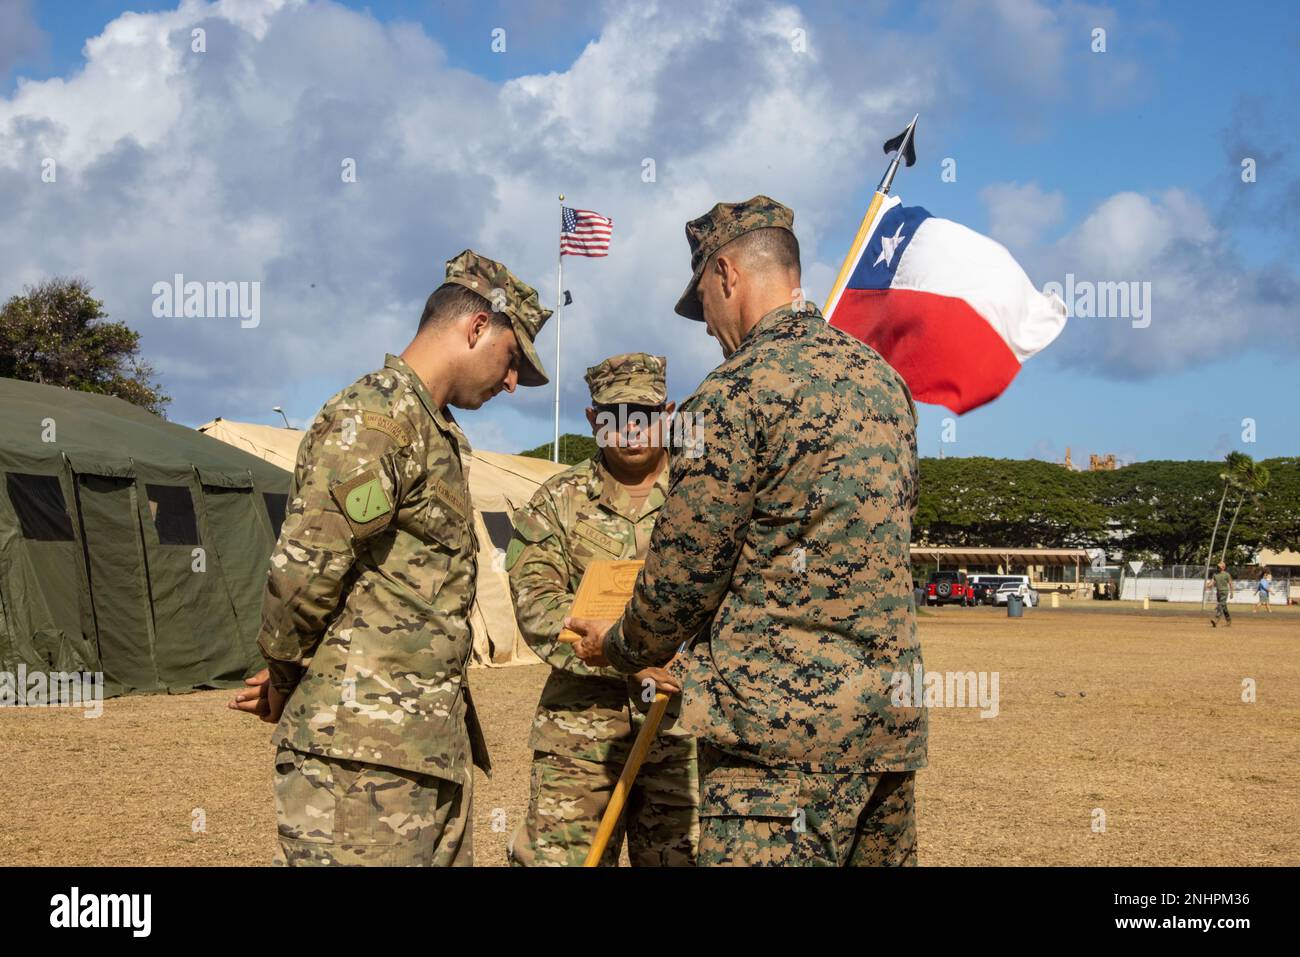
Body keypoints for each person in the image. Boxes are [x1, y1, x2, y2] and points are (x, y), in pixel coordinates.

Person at [566, 196, 927, 866]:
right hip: (886, 736)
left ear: (726, 275)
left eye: (701, 298)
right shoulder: (887, 385)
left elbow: (682, 577)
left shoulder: (730, 396)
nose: (704, 325)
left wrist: (617, 644)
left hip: (776, 747)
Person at [231, 249, 551, 866]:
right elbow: (304, 570)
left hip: (424, 748)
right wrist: (283, 674)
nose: (512, 383)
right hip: (359, 760)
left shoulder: (431, 429)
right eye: (513, 361)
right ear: (477, 327)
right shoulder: (376, 421)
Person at [505, 353, 699, 867]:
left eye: (645, 412)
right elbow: (536, 604)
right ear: (593, 420)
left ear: (670, 413)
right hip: (580, 736)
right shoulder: (558, 501)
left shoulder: (703, 496)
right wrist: (622, 655)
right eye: (615, 413)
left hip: (682, 732)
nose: (631, 427)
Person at [1208, 561, 1234, 627]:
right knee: (1224, 607)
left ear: (1223, 567)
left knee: (1220, 605)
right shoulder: (1215, 574)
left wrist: (1231, 593)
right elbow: (1212, 582)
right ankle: (1229, 621)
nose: (1218, 568)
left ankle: (1216, 620)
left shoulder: (1226, 574)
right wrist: (1208, 585)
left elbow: (1230, 583)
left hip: (1224, 592)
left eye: (1219, 567)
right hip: (1218, 592)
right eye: (1218, 566)